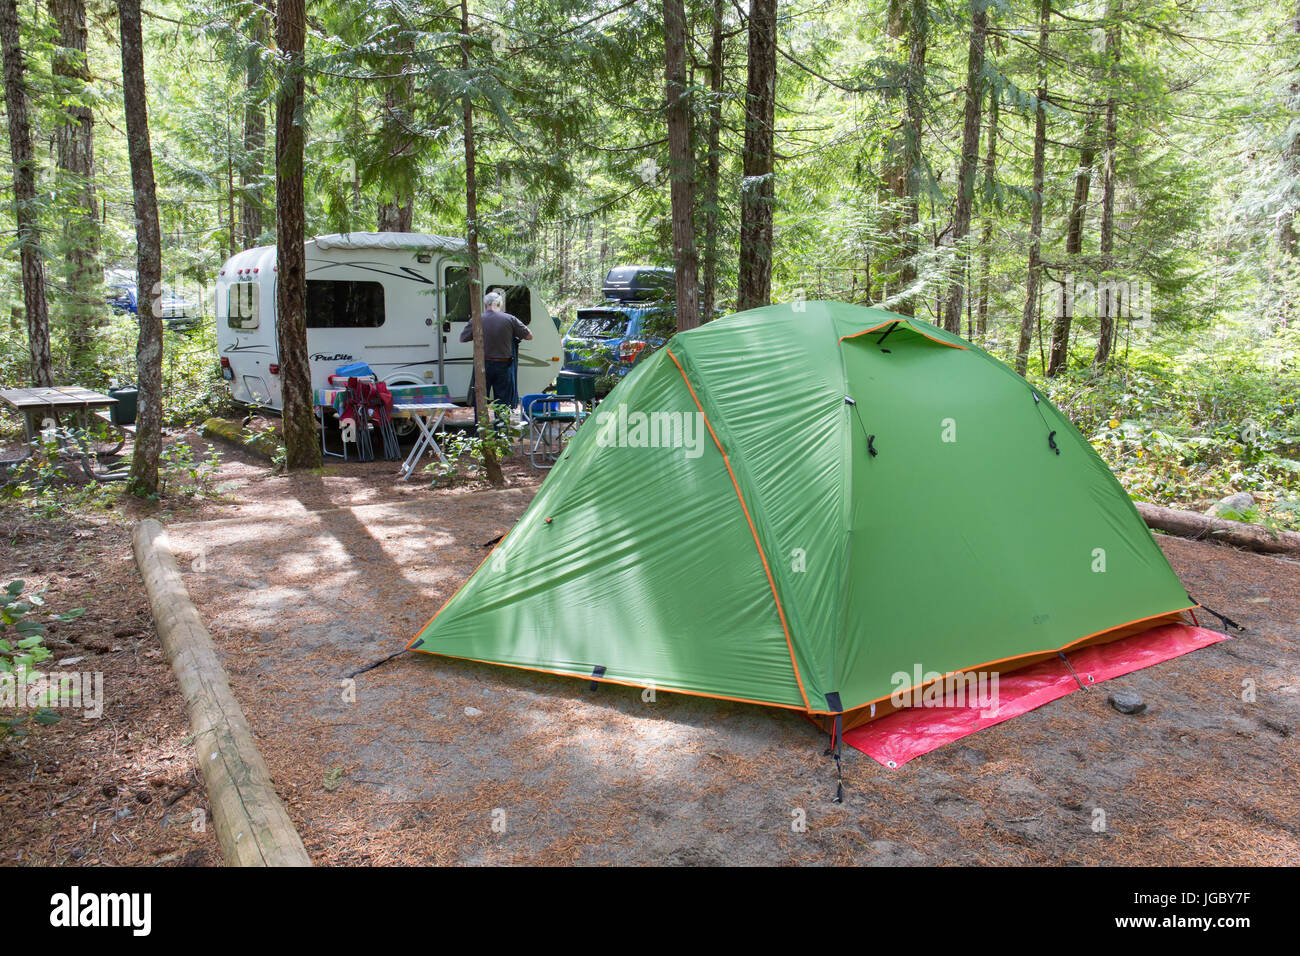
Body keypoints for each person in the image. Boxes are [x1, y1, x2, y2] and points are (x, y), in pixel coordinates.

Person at [462, 290, 531, 413]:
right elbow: (529, 336)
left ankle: (481, 429)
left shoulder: (477, 319)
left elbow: (462, 338)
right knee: (503, 403)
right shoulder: (510, 319)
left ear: (485, 305)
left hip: (482, 365)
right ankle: (501, 430)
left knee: (481, 400)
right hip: (504, 365)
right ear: (499, 305)